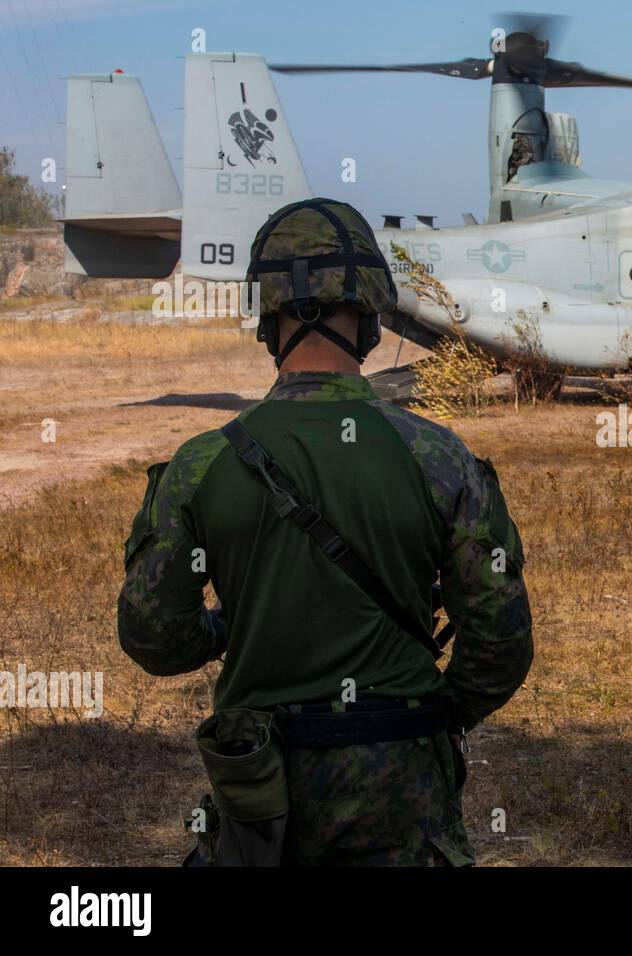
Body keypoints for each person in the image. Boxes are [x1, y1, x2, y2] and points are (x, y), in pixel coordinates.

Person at [118, 198, 532, 866]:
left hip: (263, 799)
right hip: (404, 792)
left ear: (265, 320)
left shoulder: (201, 465)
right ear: (370, 320)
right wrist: (434, 719)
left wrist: (225, 629)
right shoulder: (440, 457)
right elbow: (501, 639)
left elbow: (155, 638)